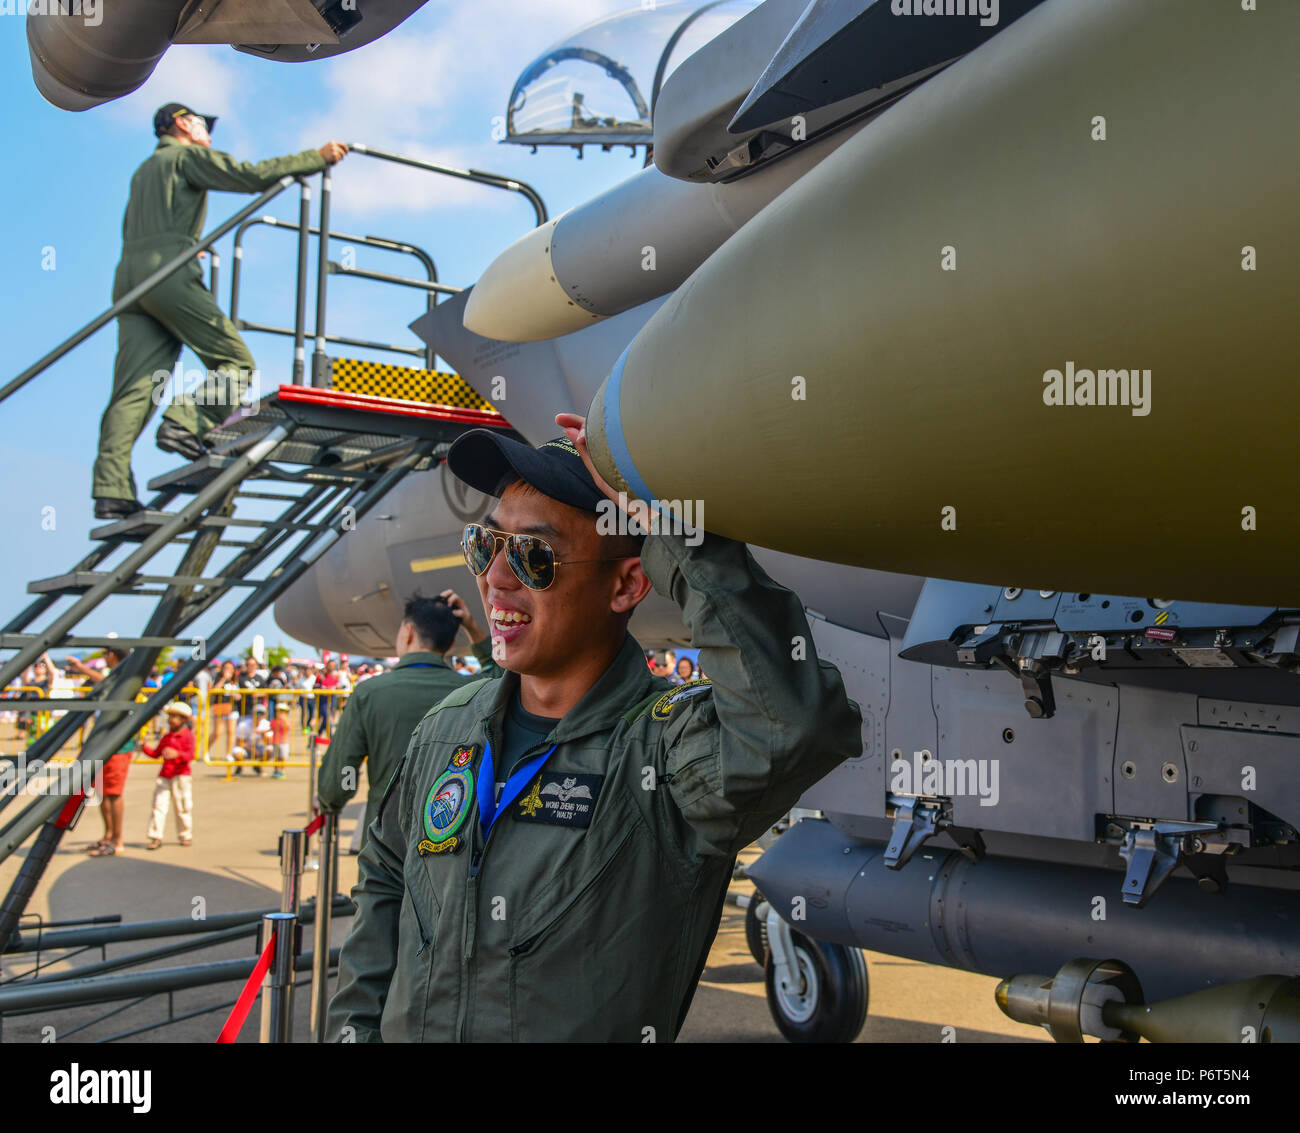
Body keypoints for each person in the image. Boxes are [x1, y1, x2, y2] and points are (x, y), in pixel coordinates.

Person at [326, 416, 862, 1042]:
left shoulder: (664, 750)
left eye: (533, 555)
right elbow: (387, 882)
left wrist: (681, 541)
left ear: (627, 583)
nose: (496, 577)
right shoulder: (447, 729)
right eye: (485, 544)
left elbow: (793, 726)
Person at [91, 103, 349, 521]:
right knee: (236, 362)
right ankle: (185, 420)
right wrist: (314, 159)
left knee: (134, 389)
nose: (209, 132)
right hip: (169, 270)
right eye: (202, 123)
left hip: (129, 281)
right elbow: (245, 175)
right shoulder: (186, 156)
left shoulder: (144, 170)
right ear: (180, 124)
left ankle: (111, 489)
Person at [317, 592, 494, 850]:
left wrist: (334, 798)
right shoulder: (473, 691)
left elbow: (343, 772)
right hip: (451, 844)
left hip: (385, 843)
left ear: (408, 632)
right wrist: (472, 626)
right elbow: (501, 672)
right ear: (453, 640)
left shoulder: (369, 693)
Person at [65, 644, 132, 856]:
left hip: (118, 744)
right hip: (105, 743)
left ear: (111, 654)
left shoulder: (127, 676)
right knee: (104, 793)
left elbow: (108, 683)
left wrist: (81, 668)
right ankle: (108, 836)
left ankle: (117, 840)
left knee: (113, 793)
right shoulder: (118, 674)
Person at [144, 701, 196, 849]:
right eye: (170, 716)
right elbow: (156, 754)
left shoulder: (187, 736)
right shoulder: (167, 737)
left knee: (182, 806)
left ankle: (185, 834)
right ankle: (155, 835)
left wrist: (177, 754)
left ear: (183, 720)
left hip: (181, 775)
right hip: (165, 775)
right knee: (158, 805)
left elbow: (190, 755)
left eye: (175, 717)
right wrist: (144, 748)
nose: (171, 720)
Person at [208, 659, 239, 761]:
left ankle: (229, 754)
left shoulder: (236, 680)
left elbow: (239, 696)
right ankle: (206, 751)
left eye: (230, 668)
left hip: (232, 708)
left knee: (231, 732)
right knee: (217, 732)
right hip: (219, 707)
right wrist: (223, 679)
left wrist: (236, 694)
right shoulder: (217, 678)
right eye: (226, 668)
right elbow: (214, 691)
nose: (228, 670)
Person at [271, 704, 292, 780]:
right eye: (279, 711)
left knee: (283, 757)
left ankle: (282, 771)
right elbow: (271, 728)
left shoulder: (287, 720)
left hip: (284, 742)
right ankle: (276, 770)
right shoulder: (274, 721)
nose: (280, 713)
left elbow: (288, 727)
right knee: (276, 757)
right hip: (275, 742)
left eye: (283, 711)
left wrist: (284, 720)